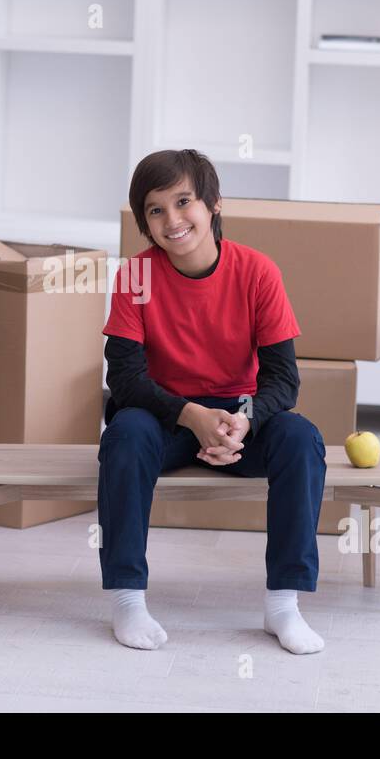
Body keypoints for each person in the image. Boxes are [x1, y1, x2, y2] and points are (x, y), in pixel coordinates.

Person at [99, 148, 327, 654]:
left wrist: (240, 421)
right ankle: (127, 601)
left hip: (235, 417)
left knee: (301, 437)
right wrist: (190, 416)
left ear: (214, 204)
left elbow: (283, 380)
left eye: (184, 202)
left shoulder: (258, 272)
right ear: (144, 222)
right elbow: (126, 377)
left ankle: (283, 606)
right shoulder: (135, 276)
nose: (172, 220)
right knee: (125, 433)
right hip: (164, 417)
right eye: (155, 210)